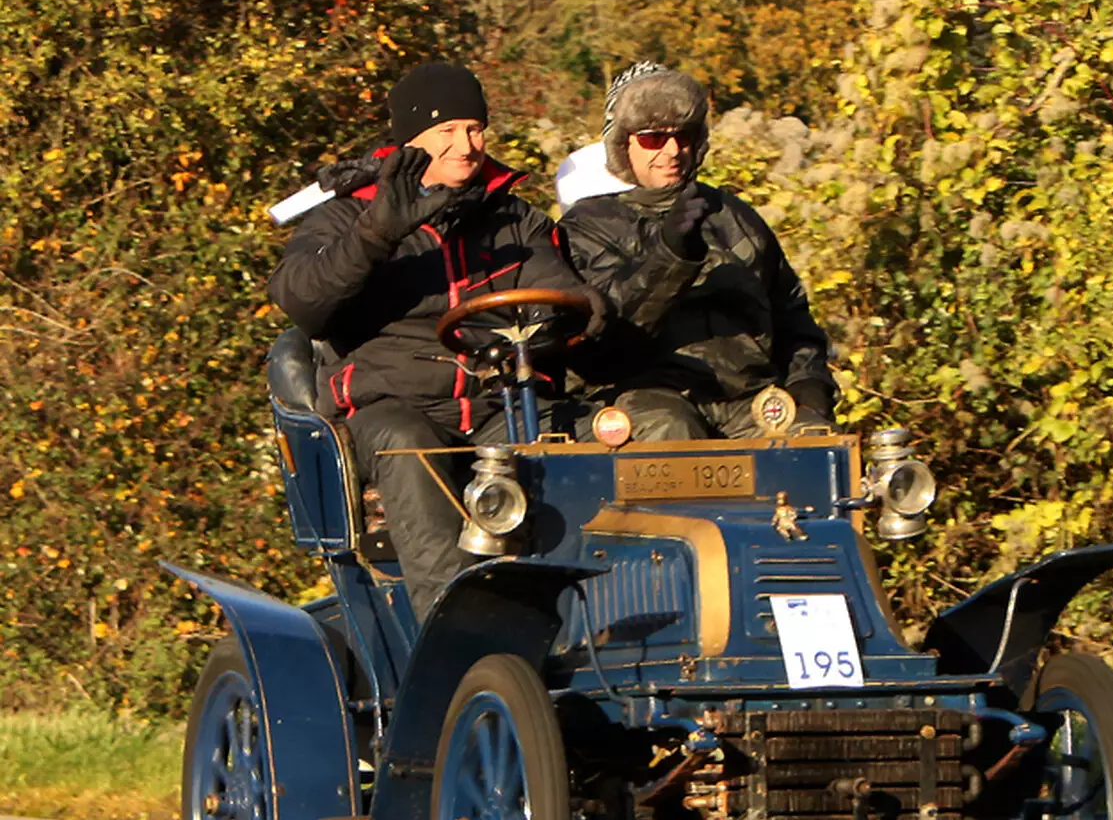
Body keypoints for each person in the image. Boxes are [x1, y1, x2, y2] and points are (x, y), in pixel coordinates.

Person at [268, 62, 606, 622]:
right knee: (409, 445)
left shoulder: (512, 218)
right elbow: (301, 299)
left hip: (499, 398)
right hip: (390, 404)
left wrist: (577, 312)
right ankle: (451, 634)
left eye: (474, 129)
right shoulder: (348, 215)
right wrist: (378, 233)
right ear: (412, 141)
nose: (465, 145)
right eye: (446, 131)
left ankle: (579, 622)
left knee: (566, 444)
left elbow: (558, 289)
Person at [556, 61, 837, 441]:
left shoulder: (737, 218)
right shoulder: (587, 227)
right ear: (625, 144)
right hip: (644, 395)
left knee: (815, 446)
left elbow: (793, 317)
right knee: (669, 431)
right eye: (654, 138)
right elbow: (600, 344)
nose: (672, 151)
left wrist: (809, 385)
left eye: (684, 136)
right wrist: (670, 256)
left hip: (748, 398)